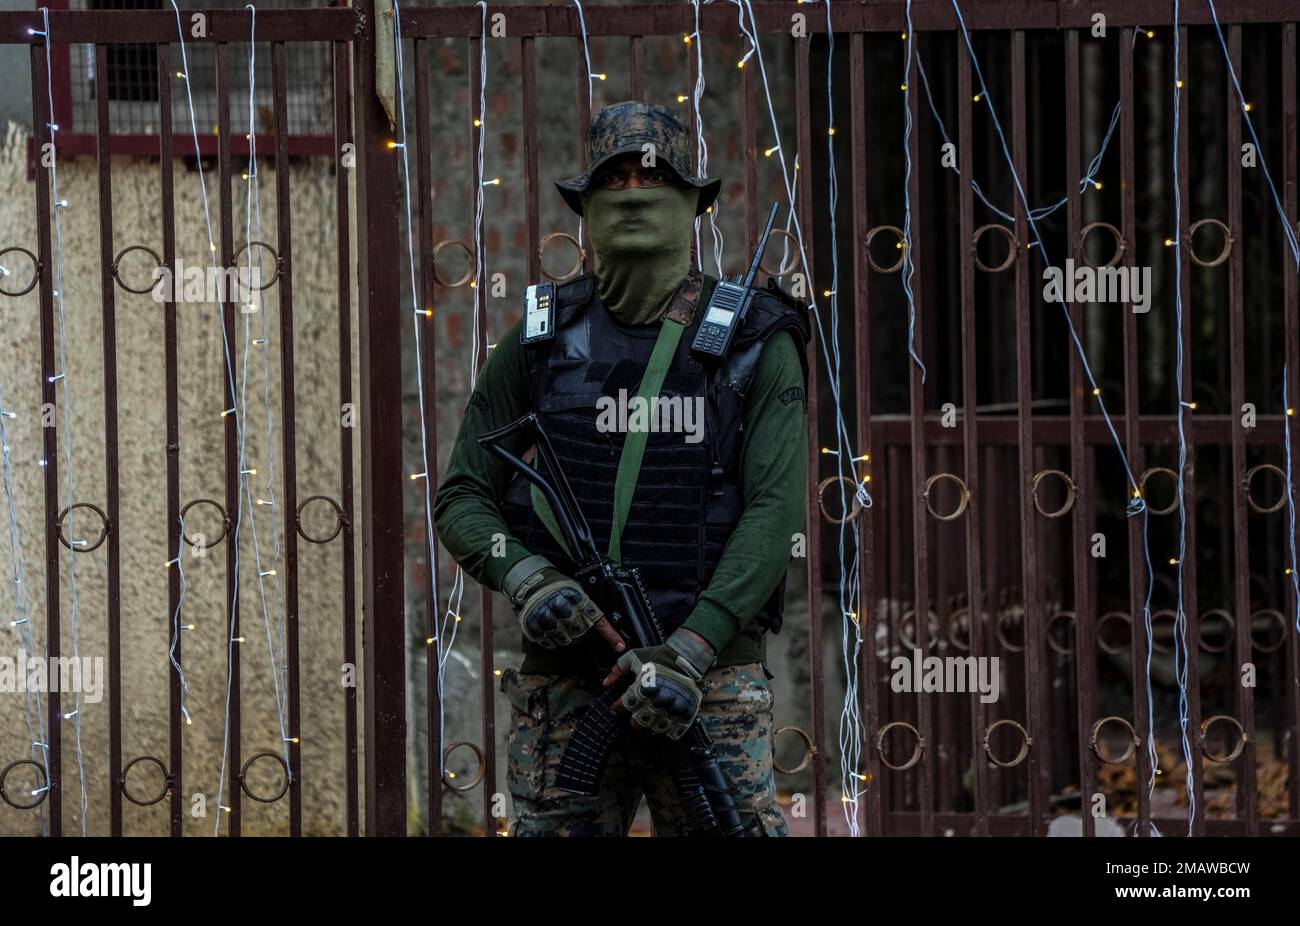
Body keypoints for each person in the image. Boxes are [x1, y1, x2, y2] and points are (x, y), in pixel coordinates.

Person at [434, 100, 810, 836]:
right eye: (613, 177)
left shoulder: (757, 340)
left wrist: (693, 647)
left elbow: (773, 513)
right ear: (584, 205)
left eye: (654, 173)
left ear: (695, 202)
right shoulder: (539, 341)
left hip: (711, 683)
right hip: (571, 679)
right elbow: (462, 497)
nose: (635, 189)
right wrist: (527, 576)